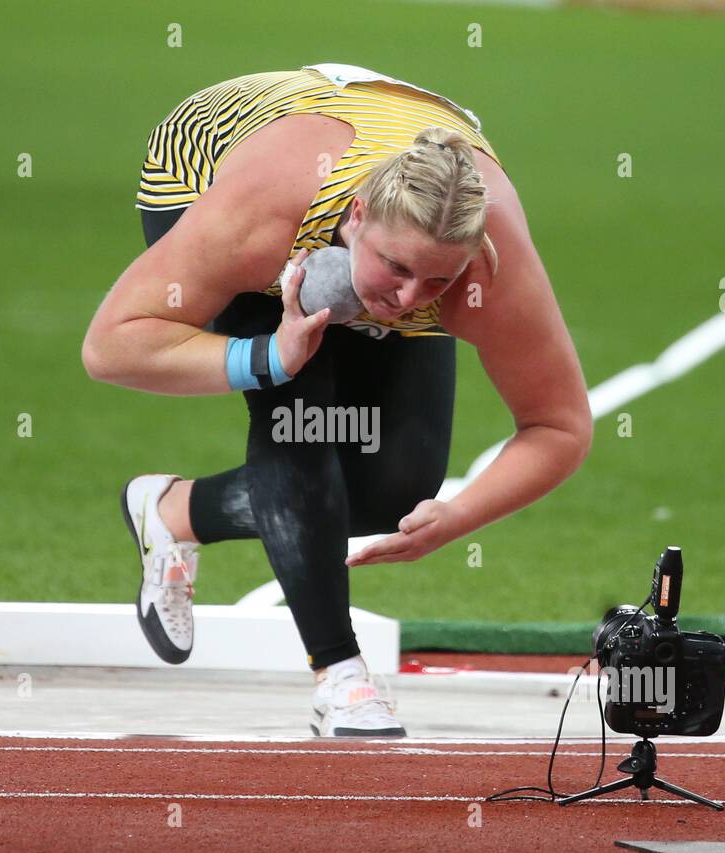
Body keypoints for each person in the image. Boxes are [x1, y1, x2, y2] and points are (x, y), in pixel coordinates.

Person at [83, 64, 591, 736]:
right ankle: (341, 676)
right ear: (357, 218)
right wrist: (269, 356)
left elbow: (559, 425)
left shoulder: (484, 276)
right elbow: (112, 346)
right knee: (299, 412)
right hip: (208, 162)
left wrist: (461, 515)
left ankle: (174, 510)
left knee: (393, 489)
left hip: (377, 187)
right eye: (399, 268)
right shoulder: (262, 215)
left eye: (436, 279)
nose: (410, 299)